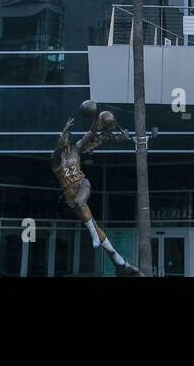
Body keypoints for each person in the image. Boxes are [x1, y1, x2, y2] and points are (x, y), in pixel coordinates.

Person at [52, 105, 141, 276]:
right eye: (63, 139)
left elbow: (91, 133)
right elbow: (59, 146)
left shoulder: (76, 149)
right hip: (69, 192)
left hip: (82, 184)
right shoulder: (55, 159)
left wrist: (95, 118)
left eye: (67, 138)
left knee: (80, 203)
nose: (66, 141)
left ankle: (94, 236)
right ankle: (119, 261)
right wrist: (64, 131)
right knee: (92, 222)